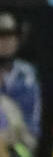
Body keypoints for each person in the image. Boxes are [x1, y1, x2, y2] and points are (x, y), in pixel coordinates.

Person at [0, 11, 41, 145]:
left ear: (17, 40)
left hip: (20, 142)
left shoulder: (26, 74)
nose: (6, 41)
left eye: (11, 36)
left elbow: (31, 124)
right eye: (1, 36)